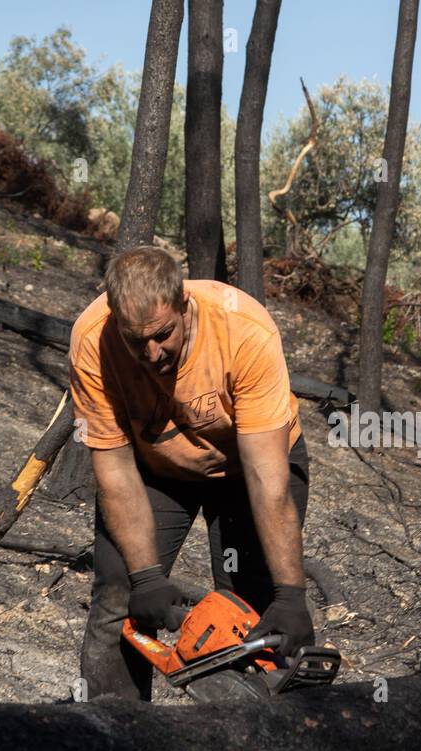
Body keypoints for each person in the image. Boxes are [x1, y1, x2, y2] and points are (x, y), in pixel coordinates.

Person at [68, 245, 313, 700]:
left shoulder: (244, 330)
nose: (152, 353)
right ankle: (112, 734)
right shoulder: (92, 341)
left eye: (162, 335)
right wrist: (145, 577)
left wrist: (292, 594)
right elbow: (115, 469)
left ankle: (264, 738)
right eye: (135, 340)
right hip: (158, 470)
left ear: (185, 304)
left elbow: (267, 478)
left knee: (258, 609)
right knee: (119, 596)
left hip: (250, 470)